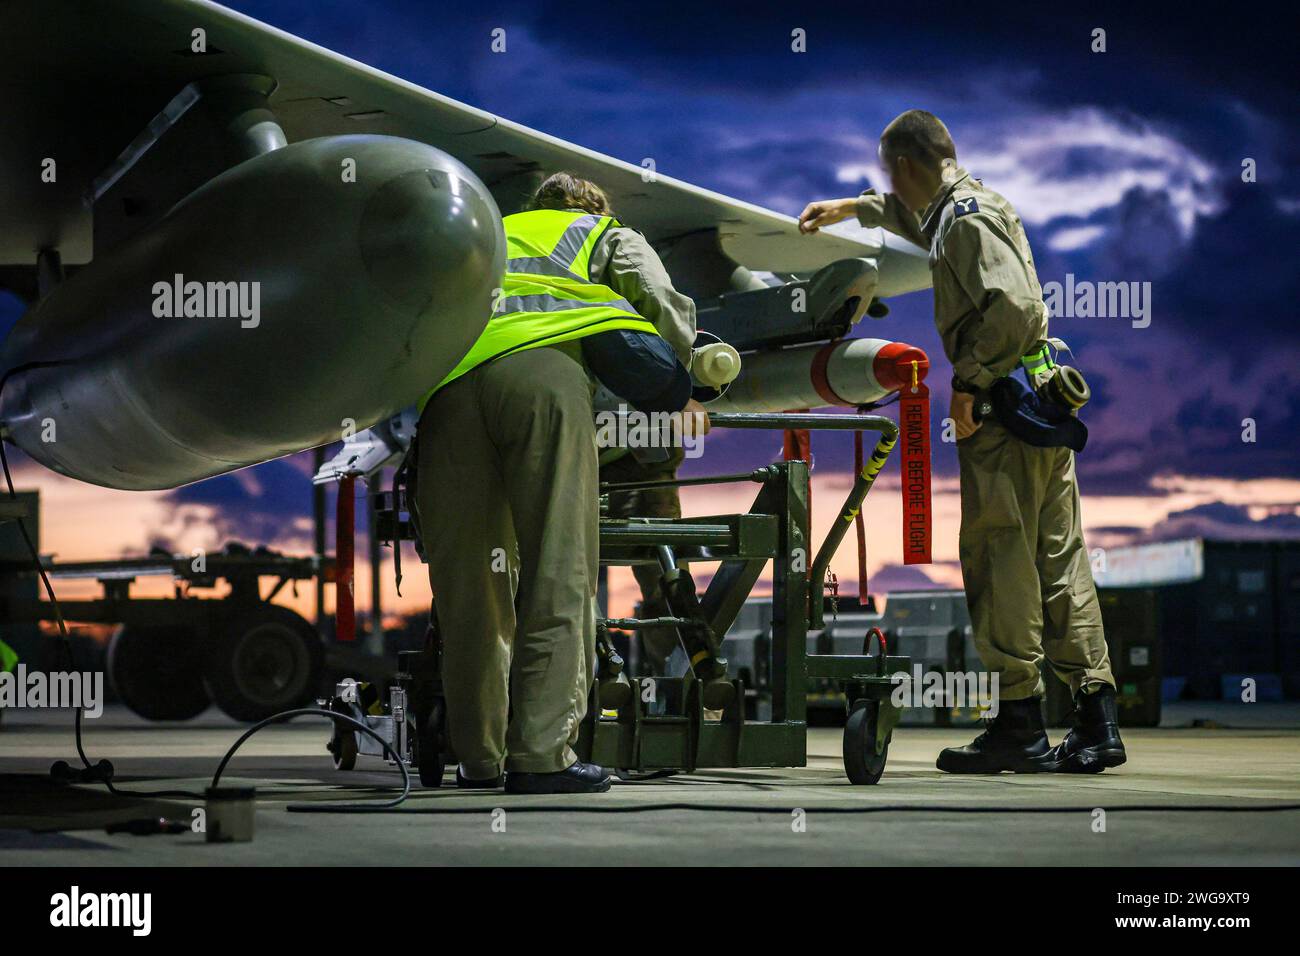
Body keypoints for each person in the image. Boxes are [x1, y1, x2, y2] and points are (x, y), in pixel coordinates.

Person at [799, 110, 1125, 774]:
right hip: (1037, 400)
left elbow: (1015, 309)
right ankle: (1095, 720)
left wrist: (968, 383)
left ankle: (1020, 723)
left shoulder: (965, 220)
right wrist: (849, 209)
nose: (891, 186)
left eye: (891, 172)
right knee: (1058, 559)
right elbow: (907, 216)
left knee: (1001, 559)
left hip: (1004, 411)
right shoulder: (968, 205)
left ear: (908, 165)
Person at [412, 172, 706, 794]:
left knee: (470, 585)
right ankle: (542, 755)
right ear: (592, 206)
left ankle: (480, 758)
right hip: (542, 381)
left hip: (448, 393)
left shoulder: (490, 230)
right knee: (558, 564)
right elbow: (662, 312)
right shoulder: (603, 233)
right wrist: (681, 379)